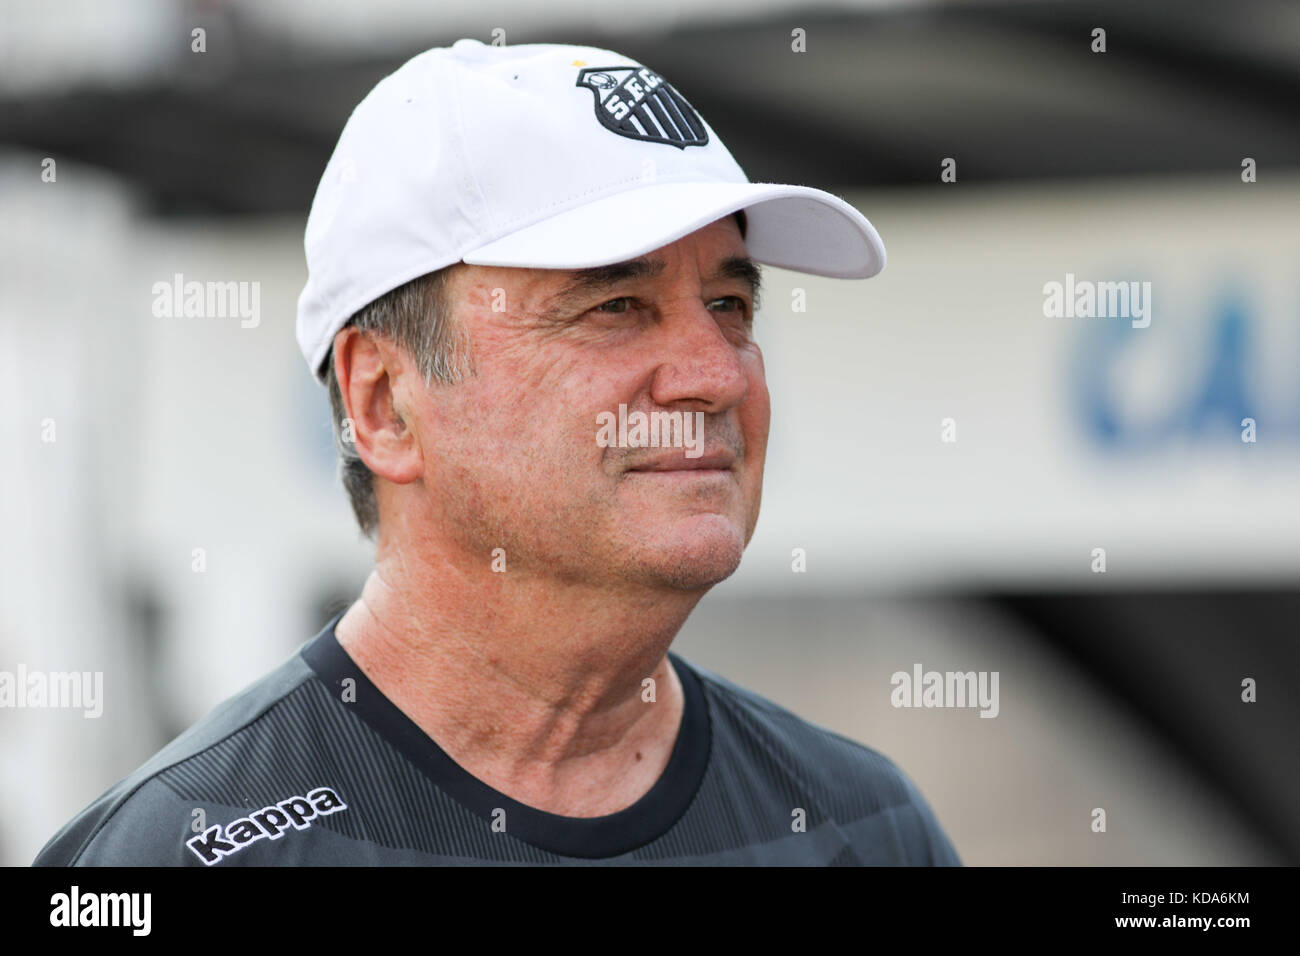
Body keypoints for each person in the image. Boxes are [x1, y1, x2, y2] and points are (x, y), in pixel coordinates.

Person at [34, 39, 959, 865]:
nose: (715, 375)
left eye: (730, 306)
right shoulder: (175, 851)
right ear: (384, 404)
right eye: (616, 307)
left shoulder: (861, 826)